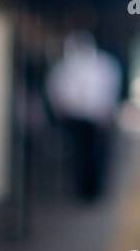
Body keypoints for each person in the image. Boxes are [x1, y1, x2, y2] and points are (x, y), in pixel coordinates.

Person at [45, 32, 122, 201]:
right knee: (80, 156)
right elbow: (56, 90)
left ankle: (94, 189)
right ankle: (83, 189)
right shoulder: (66, 67)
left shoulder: (101, 64)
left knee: (94, 155)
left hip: (95, 118)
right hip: (77, 119)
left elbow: (109, 89)